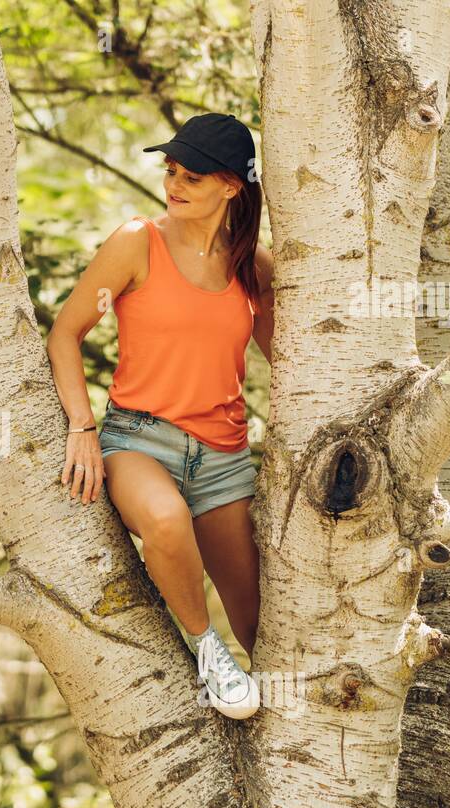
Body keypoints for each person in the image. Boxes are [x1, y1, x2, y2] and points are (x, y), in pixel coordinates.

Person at [45, 113, 275, 720]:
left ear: (231, 187)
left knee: (261, 628)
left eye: (191, 177)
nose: (173, 184)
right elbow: (65, 334)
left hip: (224, 459)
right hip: (138, 441)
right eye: (170, 169)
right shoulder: (136, 241)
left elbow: (292, 361)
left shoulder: (253, 267)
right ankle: (206, 649)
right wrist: (82, 427)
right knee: (167, 522)